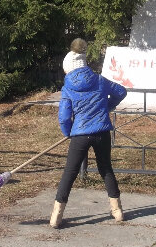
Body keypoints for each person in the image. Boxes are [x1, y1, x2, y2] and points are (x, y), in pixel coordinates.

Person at [51, 39, 127, 228]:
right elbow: (121, 91)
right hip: (102, 131)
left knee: (70, 172)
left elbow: (64, 116)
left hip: (80, 134)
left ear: (69, 69)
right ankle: (117, 212)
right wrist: (107, 107)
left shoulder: (68, 87)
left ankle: (56, 217)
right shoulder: (100, 80)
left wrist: (68, 132)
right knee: (106, 169)